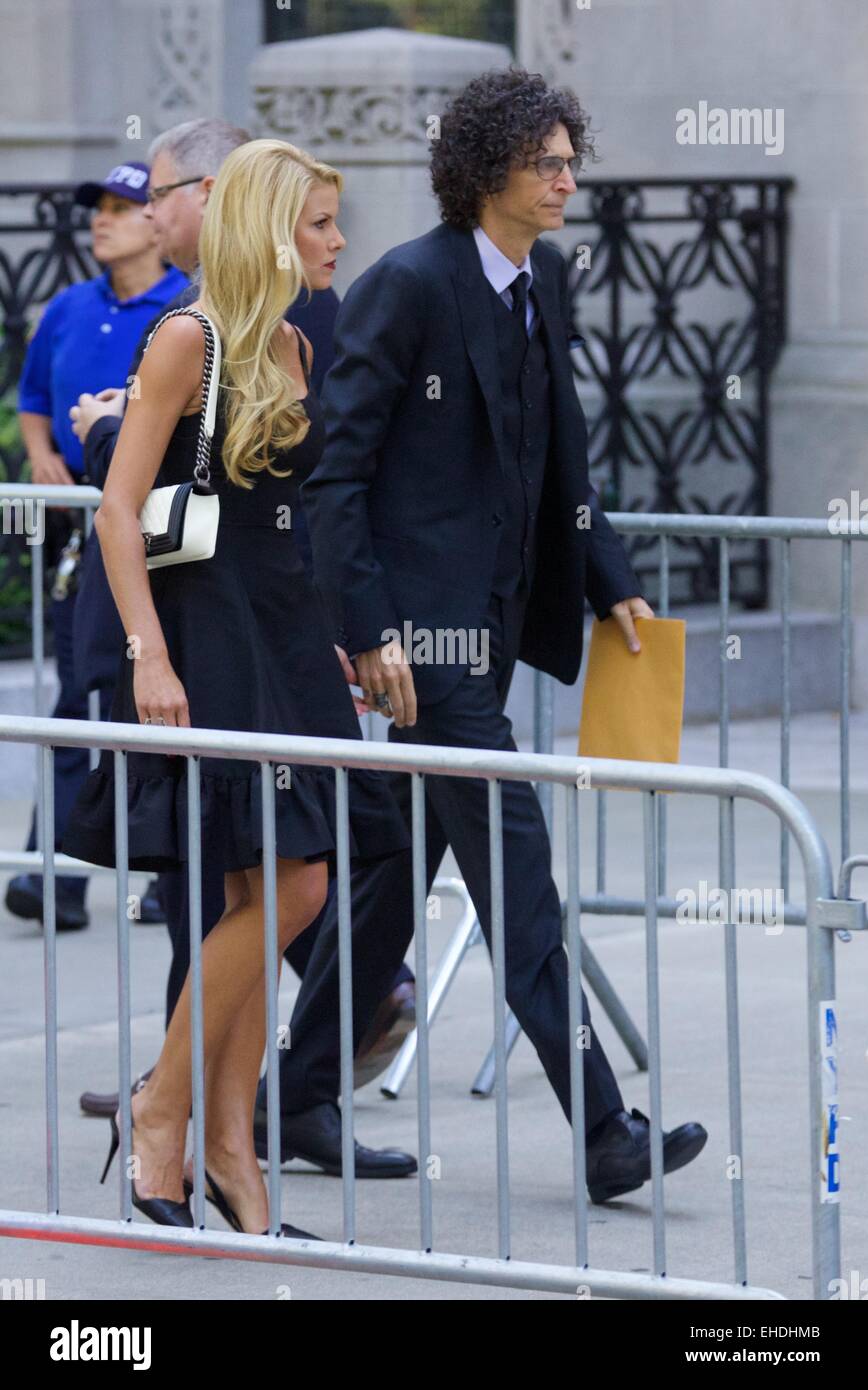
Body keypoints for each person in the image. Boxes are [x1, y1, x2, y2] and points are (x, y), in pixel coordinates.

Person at [265, 68, 708, 1206]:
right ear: (487, 172)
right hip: (422, 651)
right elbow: (337, 476)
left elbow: (561, 451)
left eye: (571, 160)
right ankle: (606, 1126)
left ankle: (293, 1094)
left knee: (396, 873)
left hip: (495, 626)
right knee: (520, 877)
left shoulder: (542, 279)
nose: (568, 179)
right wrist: (367, 631)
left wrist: (611, 581)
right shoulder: (406, 285)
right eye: (548, 162)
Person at [60, 138, 411, 1234]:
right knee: (289, 891)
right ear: (267, 228)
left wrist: (354, 643)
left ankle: (228, 1153)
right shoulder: (187, 339)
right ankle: (167, 1115)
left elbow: (304, 517)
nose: (337, 242)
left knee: (269, 894)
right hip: (209, 641)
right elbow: (119, 511)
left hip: (292, 641)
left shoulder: (298, 348)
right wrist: (148, 656)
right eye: (317, 224)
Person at [4, 162, 186, 932]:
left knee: (162, 705)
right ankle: (57, 879)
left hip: (171, 537)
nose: (101, 221)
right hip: (89, 534)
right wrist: (41, 451)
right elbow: (34, 400)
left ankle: (172, 882)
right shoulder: (69, 306)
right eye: (96, 209)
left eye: (121, 206)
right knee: (82, 699)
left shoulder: (182, 310)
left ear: (157, 222)